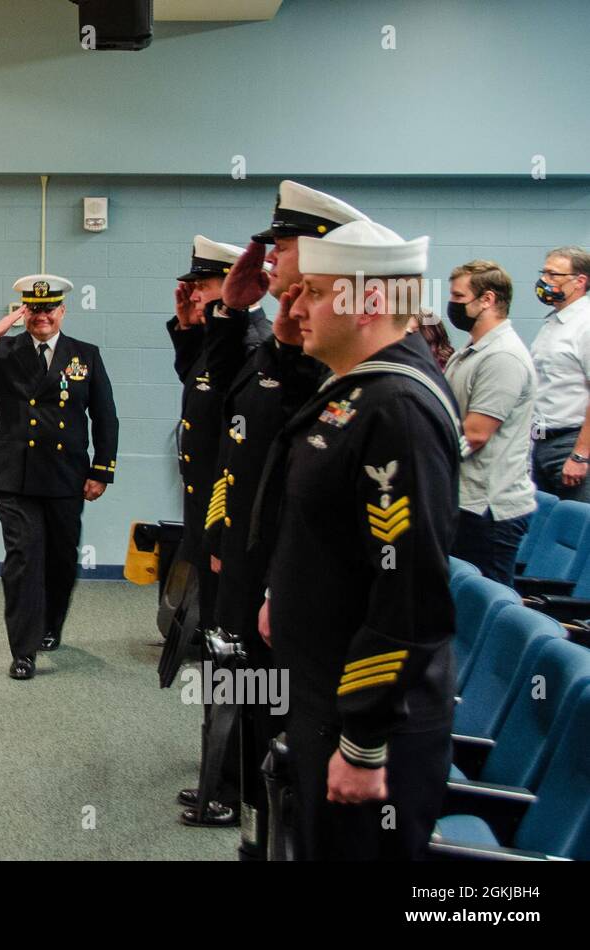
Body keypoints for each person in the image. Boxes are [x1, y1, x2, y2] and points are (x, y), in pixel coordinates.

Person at [256, 219, 459, 860]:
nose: (293, 303)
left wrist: (363, 740)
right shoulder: (357, 386)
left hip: (370, 724)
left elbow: (410, 591)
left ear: (369, 301)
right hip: (328, 696)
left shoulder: (394, 407)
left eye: (313, 290)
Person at [181, 182, 365, 835]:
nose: (269, 261)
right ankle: (227, 783)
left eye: (282, 248)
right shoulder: (278, 344)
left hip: (275, 557)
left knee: (262, 695)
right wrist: (227, 313)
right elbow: (221, 401)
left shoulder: (324, 362)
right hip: (236, 540)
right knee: (229, 677)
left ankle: (238, 789)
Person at [0, 274, 119, 679]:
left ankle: (49, 626)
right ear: (23, 311)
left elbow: (105, 416)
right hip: (16, 478)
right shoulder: (4, 350)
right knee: (23, 560)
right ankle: (22, 650)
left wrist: (102, 470)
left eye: (48, 309)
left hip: (66, 477)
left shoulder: (85, 355)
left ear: (62, 311)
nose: (41, 316)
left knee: (60, 559)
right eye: (33, 309)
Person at [169, 236, 272, 634]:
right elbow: (200, 387)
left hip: (224, 506)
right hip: (206, 505)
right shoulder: (224, 340)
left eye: (203, 286)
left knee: (227, 626)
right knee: (212, 617)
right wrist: (187, 328)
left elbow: (249, 446)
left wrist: (224, 531)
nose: (194, 295)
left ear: (236, 285)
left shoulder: (254, 344)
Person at [443, 260, 537, 586]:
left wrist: (423, 457)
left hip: (489, 509)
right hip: (465, 499)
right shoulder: (470, 351)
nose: (452, 304)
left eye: (458, 296)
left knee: (487, 606)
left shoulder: (502, 356)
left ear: (487, 300)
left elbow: (476, 434)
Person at [529, 246, 590, 501]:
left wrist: (580, 454)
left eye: (553, 275)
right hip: (541, 442)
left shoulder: (585, 324)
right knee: (544, 527)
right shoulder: (554, 322)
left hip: (570, 443)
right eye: (544, 273)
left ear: (580, 281)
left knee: (577, 531)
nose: (544, 281)